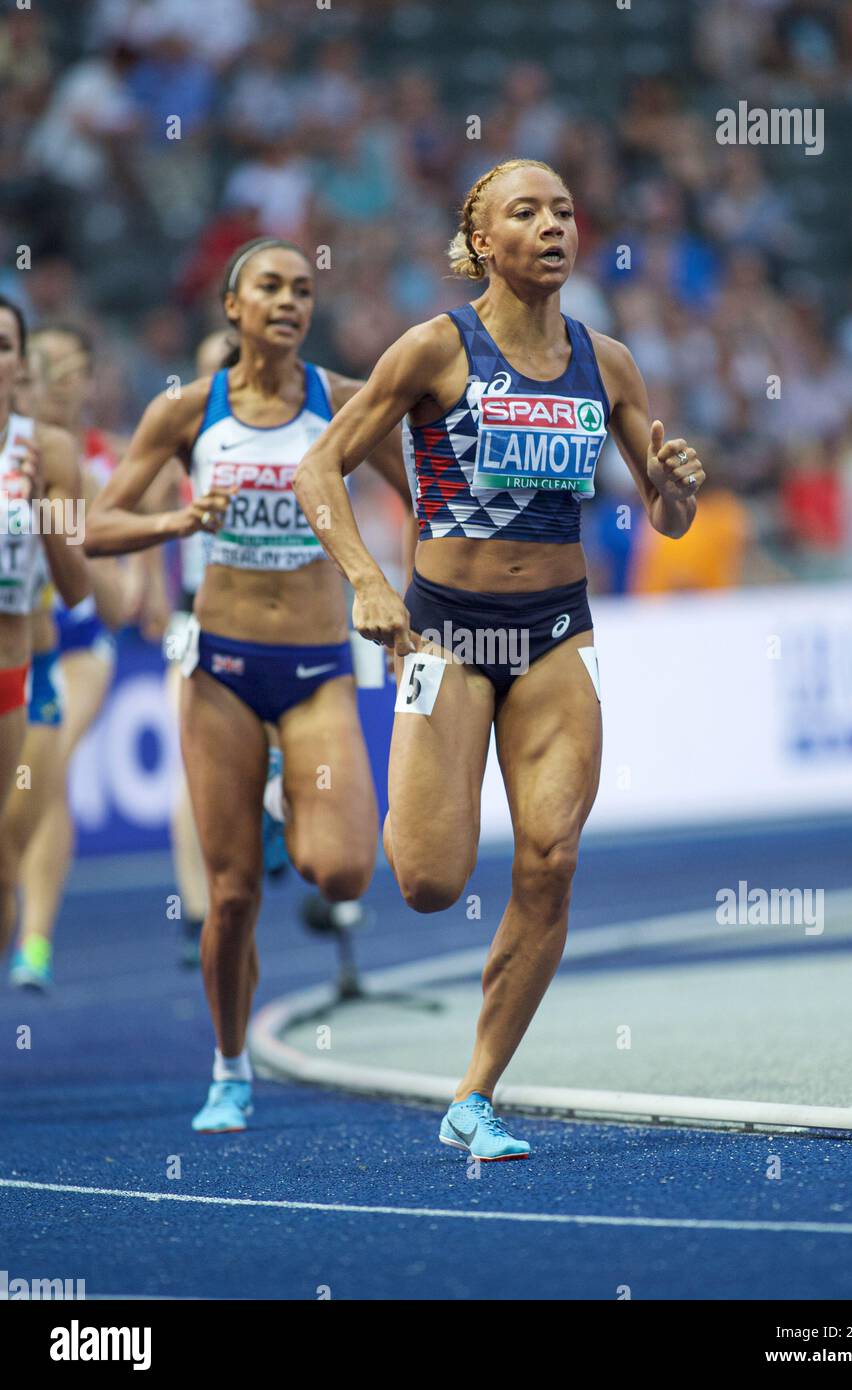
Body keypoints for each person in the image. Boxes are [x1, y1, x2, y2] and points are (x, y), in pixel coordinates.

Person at [293, 160, 707, 1160]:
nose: (552, 224)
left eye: (564, 208)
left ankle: (474, 1092)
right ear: (481, 241)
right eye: (525, 211)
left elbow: (666, 513)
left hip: (558, 630)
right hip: (449, 630)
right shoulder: (436, 348)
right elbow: (318, 464)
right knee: (428, 880)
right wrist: (366, 580)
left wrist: (677, 488)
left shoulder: (604, 362)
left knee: (551, 857)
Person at [86, 238, 411, 1132]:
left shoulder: (343, 402)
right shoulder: (190, 412)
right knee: (231, 896)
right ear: (233, 307)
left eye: (304, 289)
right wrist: (178, 517)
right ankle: (230, 1068)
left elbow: (416, 495)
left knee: (341, 870)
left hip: (314, 669)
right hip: (222, 667)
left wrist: (403, 599)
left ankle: (282, 802)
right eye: (270, 286)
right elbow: (98, 525)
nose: (290, 301)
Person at [3, 328, 136, 988]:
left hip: (70, 648)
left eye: (66, 369)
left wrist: (55, 524)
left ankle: (35, 939)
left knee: (43, 775)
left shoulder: (89, 462)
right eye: (43, 369)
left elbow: (108, 598)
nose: (51, 381)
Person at [0, 296, 90, 953]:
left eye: (4, 346)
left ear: (18, 365)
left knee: (3, 859)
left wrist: (40, 506)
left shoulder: (49, 450)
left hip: (14, 676)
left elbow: (76, 585)